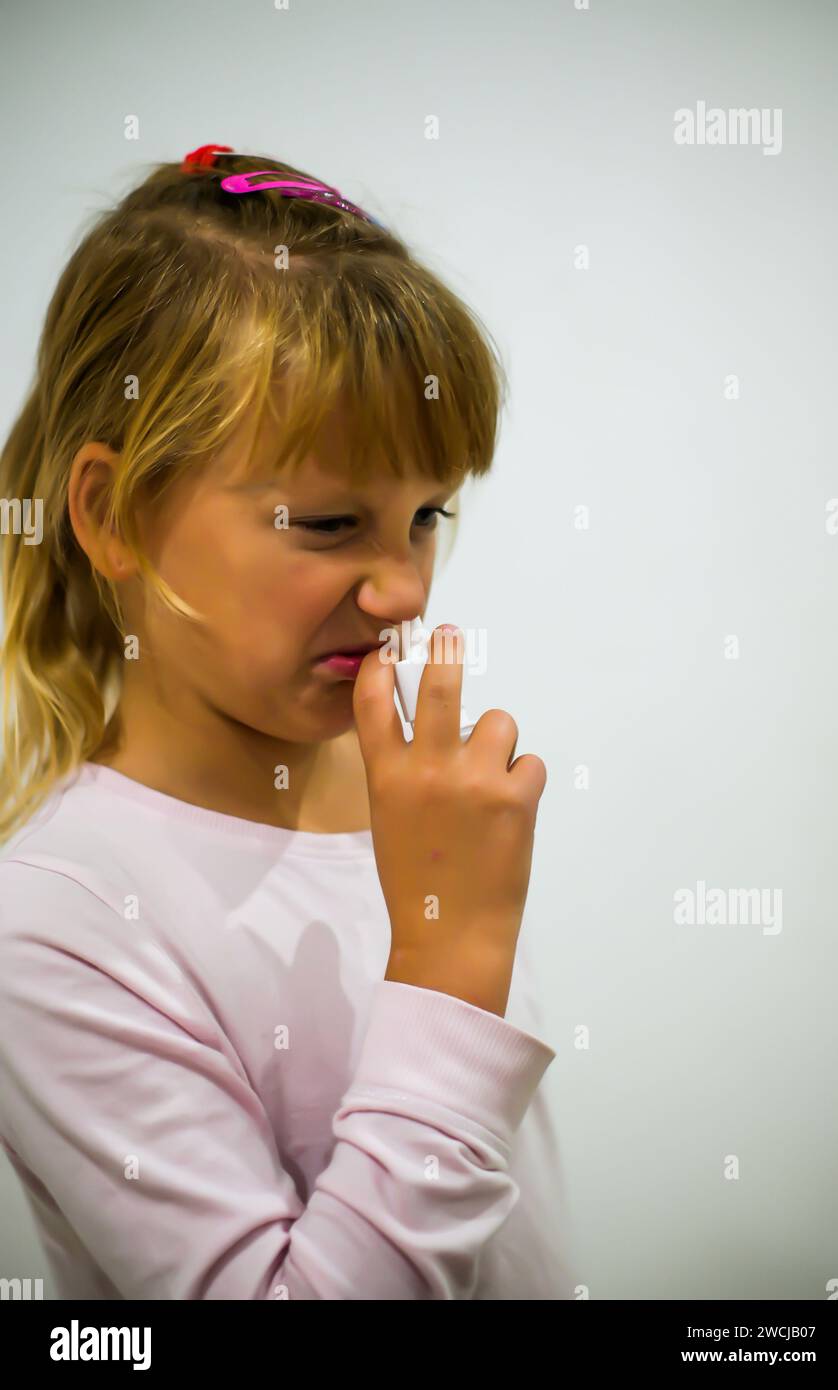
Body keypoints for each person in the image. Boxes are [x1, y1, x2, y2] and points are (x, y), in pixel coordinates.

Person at [0, 145, 575, 1299]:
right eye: (325, 524)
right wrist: (450, 967)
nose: (406, 588)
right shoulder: (54, 923)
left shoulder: (400, 792)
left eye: (426, 515)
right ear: (114, 515)